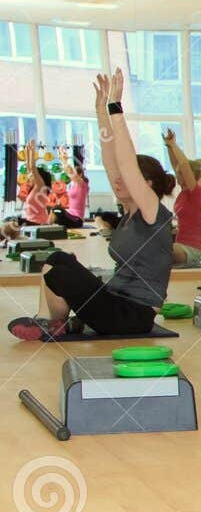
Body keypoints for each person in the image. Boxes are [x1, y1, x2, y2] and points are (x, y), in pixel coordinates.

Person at [9, 71, 174, 341]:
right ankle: (48, 321)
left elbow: (126, 162)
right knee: (56, 259)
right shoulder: (129, 212)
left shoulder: (152, 212)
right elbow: (112, 160)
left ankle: (55, 323)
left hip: (132, 315)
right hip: (113, 300)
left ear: (146, 184)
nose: (117, 180)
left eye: (127, 177)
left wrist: (116, 109)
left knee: (61, 276)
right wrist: (100, 112)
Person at [163, 131, 201, 267]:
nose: (176, 174)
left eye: (179, 173)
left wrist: (174, 144)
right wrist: (169, 146)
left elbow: (183, 165)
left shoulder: (195, 192)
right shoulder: (183, 192)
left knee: (161, 250)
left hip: (191, 250)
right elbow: (176, 165)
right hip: (180, 245)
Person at [55, 157, 89, 229]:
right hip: (70, 214)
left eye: (74, 173)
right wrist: (63, 160)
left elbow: (69, 172)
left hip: (77, 218)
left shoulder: (82, 184)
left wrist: (64, 160)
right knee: (55, 210)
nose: (72, 174)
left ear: (80, 175)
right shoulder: (72, 185)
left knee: (56, 210)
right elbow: (68, 172)